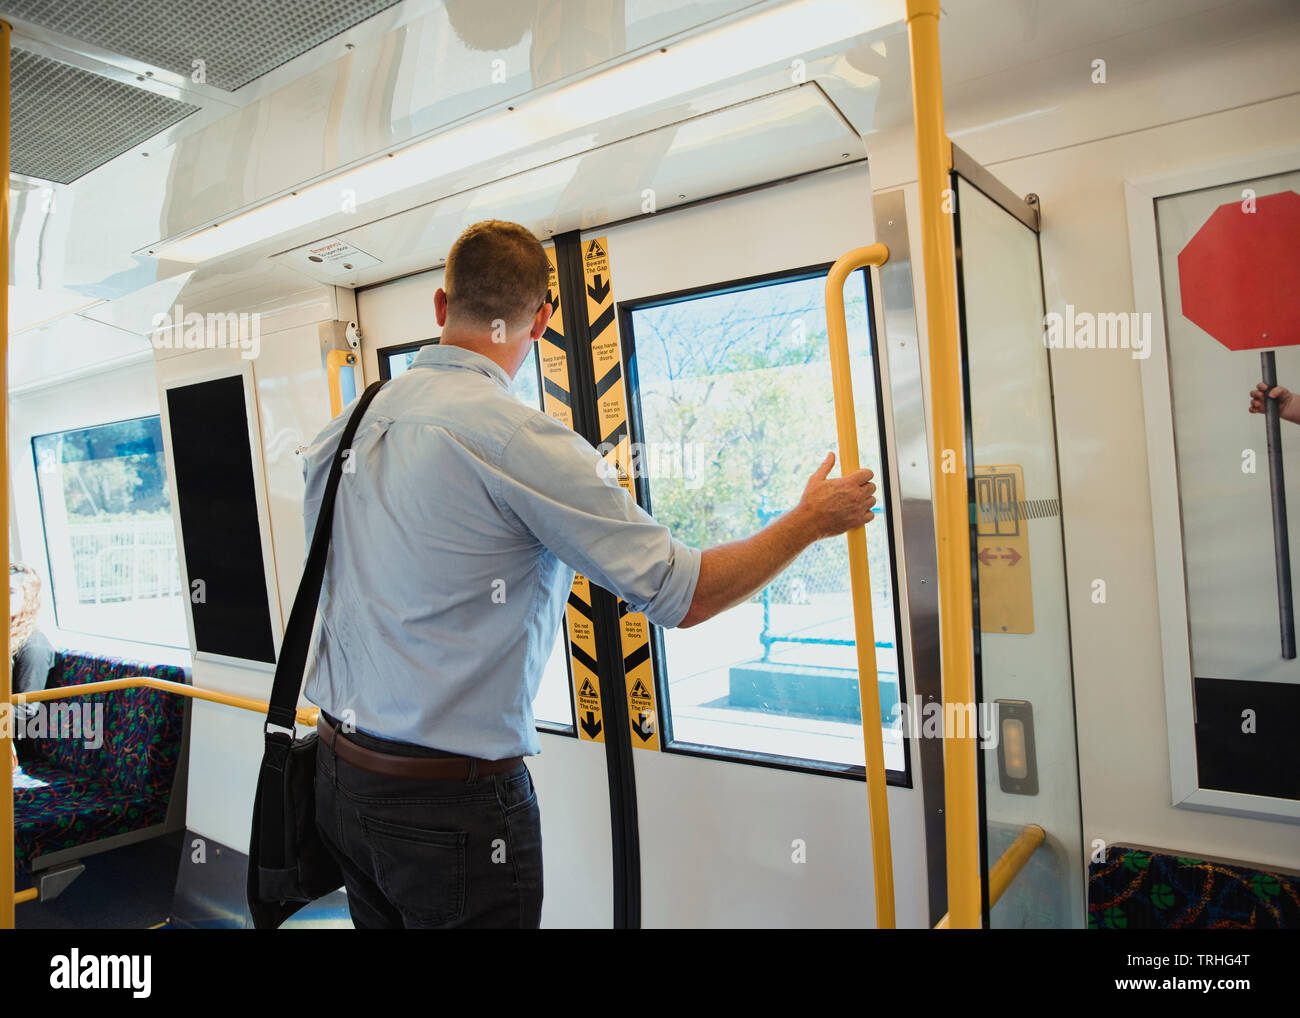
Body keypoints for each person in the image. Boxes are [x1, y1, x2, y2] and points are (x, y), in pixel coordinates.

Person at [300, 219, 877, 929]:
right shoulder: (516, 438)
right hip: (447, 809)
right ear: (540, 321)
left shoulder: (344, 428)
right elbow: (682, 593)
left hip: (339, 778)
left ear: (442, 306)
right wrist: (811, 520)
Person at [10, 563, 56, 766]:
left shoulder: (33, 646)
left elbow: (25, 711)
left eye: (9, 592)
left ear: (28, 599)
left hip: (15, 744)